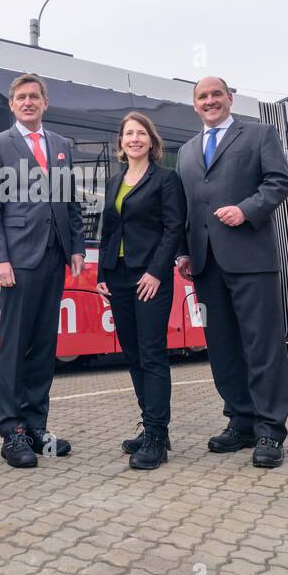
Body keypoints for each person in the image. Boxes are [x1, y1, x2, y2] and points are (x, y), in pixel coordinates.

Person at [175, 76, 288, 469]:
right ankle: (241, 421)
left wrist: (246, 209)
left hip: (251, 260)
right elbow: (184, 208)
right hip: (205, 265)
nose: (209, 101)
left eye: (216, 94)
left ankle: (270, 429)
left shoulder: (259, 135)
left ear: (229, 98)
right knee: (222, 347)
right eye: (202, 96)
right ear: (194, 104)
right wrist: (183, 252)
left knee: (262, 346)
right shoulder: (186, 151)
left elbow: (280, 181)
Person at [0, 73, 85, 468]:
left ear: (45, 102)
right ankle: (12, 431)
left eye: (34, 97)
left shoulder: (61, 145)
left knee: (43, 347)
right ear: (12, 105)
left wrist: (76, 247)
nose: (28, 102)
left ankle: (37, 426)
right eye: (21, 97)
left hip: (54, 257)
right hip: (18, 260)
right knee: (14, 347)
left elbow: (70, 200)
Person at [95, 112, 186, 470]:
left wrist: (156, 272)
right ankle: (149, 425)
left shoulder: (166, 179)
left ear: (151, 141)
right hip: (118, 277)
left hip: (150, 279)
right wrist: (102, 273)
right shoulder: (114, 181)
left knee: (151, 354)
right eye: (128, 133)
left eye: (141, 133)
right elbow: (108, 230)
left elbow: (174, 228)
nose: (134, 138)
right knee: (132, 355)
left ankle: (157, 438)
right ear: (121, 142)